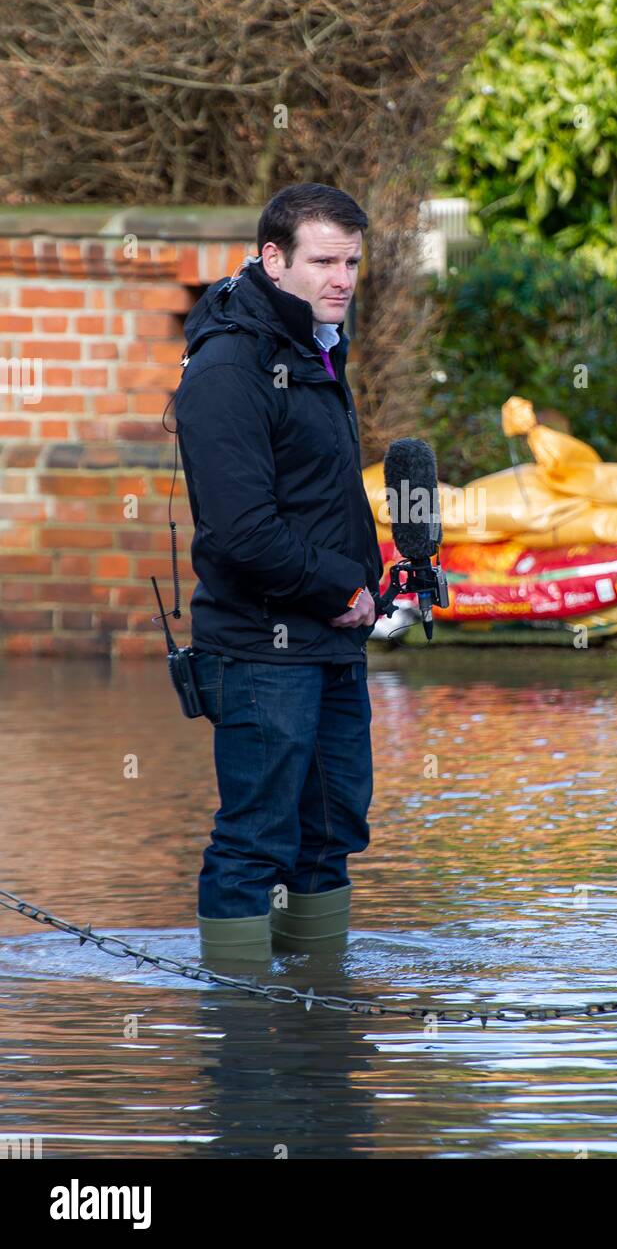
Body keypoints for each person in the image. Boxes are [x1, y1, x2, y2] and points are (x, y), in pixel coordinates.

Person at [174, 182, 383, 967]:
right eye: (324, 260)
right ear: (273, 259)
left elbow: (315, 496)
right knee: (256, 839)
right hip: (259, 654)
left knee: (329, 835)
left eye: (352, 261)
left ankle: (317, 1032)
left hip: (329, 645)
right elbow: (240, 532)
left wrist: (369, 585)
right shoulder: (233, 363)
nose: (342, 278)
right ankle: (241, 1041)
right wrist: (342, 589)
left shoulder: (313, 347)